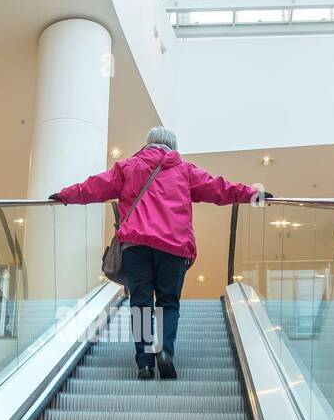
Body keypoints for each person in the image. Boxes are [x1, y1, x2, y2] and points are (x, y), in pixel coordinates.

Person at [49, 128, 269, 379]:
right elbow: (218, 188)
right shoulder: (185, 170)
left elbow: (95, 186)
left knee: (141, 303)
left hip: (136, 246)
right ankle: (164, 351)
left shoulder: (128, 167)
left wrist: (65, 195)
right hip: (174, 248)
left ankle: (144, 363)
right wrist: (252, 194)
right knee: (168, 303)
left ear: (148, 144)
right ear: (173, 147)